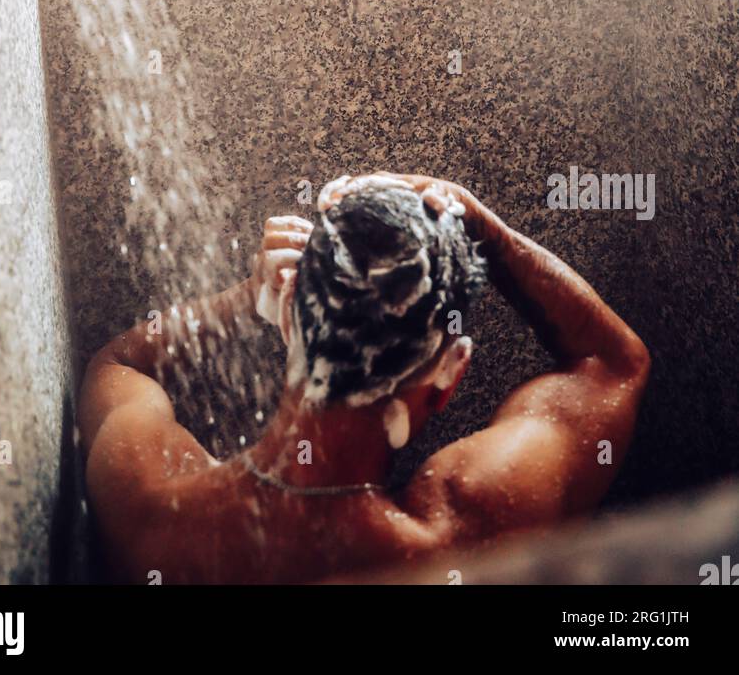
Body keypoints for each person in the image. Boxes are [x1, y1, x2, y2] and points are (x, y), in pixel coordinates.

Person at [78, 173, 649, 584]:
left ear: (291, 315)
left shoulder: (156, 508)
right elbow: (613, 363)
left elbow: (116, 365)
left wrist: (248, 300)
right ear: (449, 377)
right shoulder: (471, 532)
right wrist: (481, 226)